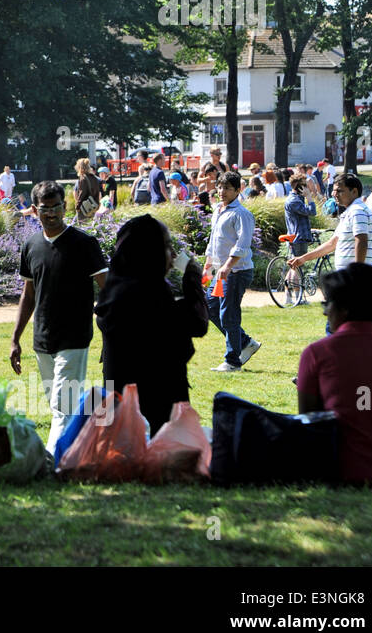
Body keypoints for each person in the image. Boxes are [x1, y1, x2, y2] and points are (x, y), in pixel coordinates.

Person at [10, 181, 109, 452]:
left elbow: (108, 291)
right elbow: (27, 295)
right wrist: (15, 339)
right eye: (45, 209)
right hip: (42, 339)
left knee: (62, 407)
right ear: (34, 210)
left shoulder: (84, 243)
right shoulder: (30, 245)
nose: (51, 214)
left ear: (65, 207)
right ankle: (82, 446)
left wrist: (110, 335)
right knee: (61, 404)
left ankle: (54, 461)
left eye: (56, 207)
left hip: (74, 338)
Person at [298, 264, 372, 484]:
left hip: (343, 471)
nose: (324, 311)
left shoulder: (316, 353)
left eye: (327, 303)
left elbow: (309, 424)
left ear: (343, 310)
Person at [95, 215, 207, 436]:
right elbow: (197, 323)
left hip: (123, 409)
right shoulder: (146, 293)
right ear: (149, 251)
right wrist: (192, 277)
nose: (172, 255)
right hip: (152, 412)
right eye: (166, 246)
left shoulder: (115, 290)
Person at [288, 173, 372, 313]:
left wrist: (357, 271)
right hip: (348, 277)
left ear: (354, 191)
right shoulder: (349, 212)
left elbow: (362, 240)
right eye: (333, 190)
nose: (334, 194)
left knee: (341, 323)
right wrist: (303, 258)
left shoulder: (357, 211)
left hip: (354, 278)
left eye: (339, 190)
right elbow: (332, 243)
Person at [204, 171, 262, 372]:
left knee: (229, 314)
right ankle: (246, 342)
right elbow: (214, 242)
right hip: (221, 272)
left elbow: (243, 244)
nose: (222, 191)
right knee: (209, 306)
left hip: (236, 272)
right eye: (220, 187)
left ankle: (233, 361)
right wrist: (209, 265)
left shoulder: (242, 214)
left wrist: (227, 266)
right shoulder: (219, 211)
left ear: (238, 190)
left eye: (228, 188)